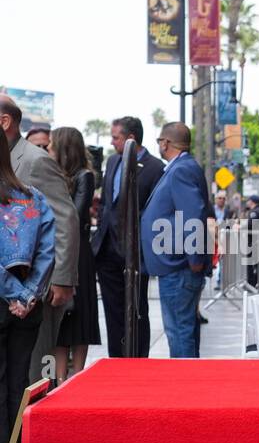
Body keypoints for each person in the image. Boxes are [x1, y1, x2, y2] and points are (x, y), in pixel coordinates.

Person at [0, 98, 76, 383]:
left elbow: (64, 220)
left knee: (32, 371)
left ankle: (29, 426)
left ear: (4, 121)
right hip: (11, 292)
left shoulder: (35, 160)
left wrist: (62, 279)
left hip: (34, 287)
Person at [90, 116, 162, 357]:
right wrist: (101, 225)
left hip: (135, 250)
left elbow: (154, 209)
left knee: (137, 308)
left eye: (116, 138)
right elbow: (106, 203)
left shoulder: (155, 168)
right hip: (108, 247)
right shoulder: (112, 162)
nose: (112, 143)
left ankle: (139, 357)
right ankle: (116, 358)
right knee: (112, 310)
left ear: (131, 138)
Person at [0, 129, 55, 439]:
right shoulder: (33, 196)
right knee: (20, 383)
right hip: (26, 307)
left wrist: (15, 293)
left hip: (11, 298)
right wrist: (27, 295)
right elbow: (48, 252)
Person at [141, 123, 213, 358]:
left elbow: (193, 214)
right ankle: (188, 382)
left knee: (179, 331)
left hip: (178, 267)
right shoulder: (181, 168)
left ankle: (185, 386)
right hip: (177, 265)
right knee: (183, 329)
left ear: (165, 143)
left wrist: (194, 259)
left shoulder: (181, 169)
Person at [49, 127, 100, 378]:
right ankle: (59, 379)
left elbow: (76, 214)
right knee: (60, 318)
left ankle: (77, 375)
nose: (48, 149)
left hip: (78, 251)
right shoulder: (53, 175)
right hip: (59, 248)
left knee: (80, 314)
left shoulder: (84, 176)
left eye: (51, 145)